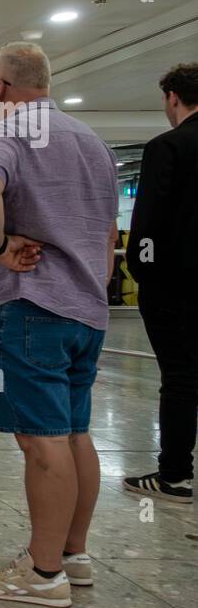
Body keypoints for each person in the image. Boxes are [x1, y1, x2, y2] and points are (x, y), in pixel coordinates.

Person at [0, 41, 119, 608]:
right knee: (76, 433)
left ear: (1, 89)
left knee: (41, 442)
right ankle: (73, 555)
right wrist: (91, 285)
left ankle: (43, 572)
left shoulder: (12, 131)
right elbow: (106, 233)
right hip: (86, 310)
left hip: (30, 307)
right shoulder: (94, 143)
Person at [124, 63, 198, 504]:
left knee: (180, 377)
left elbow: (148, 223)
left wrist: (142, 272)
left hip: (176, 286)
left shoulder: (167, 147)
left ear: (172, 97)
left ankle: (175, 473)